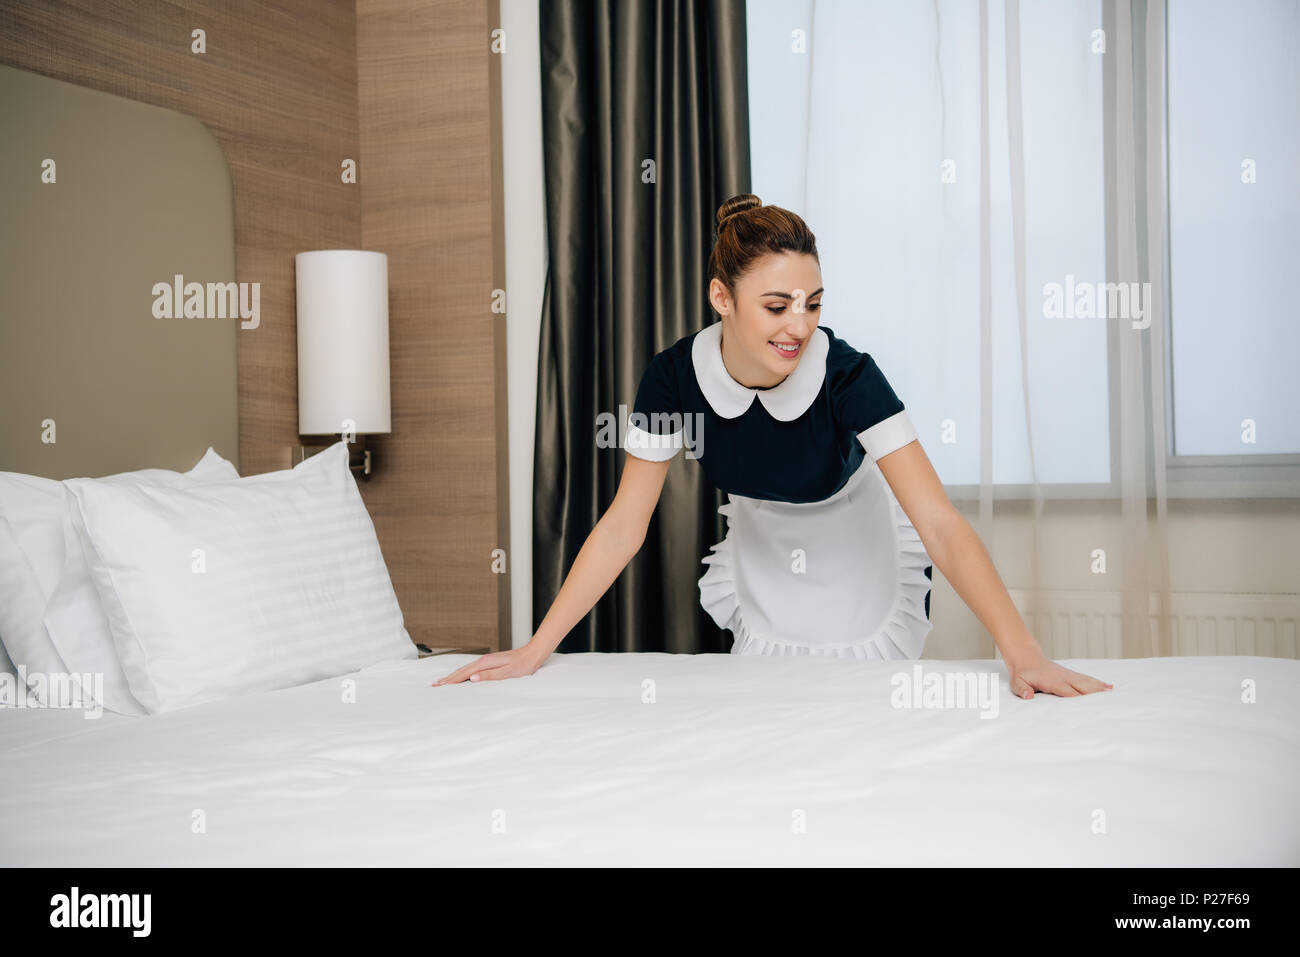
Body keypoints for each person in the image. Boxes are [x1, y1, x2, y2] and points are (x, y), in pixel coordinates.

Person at [436, 194, 1112, 698]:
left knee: (860, 714)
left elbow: (937, 521)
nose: (800, 325)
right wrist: (535, 649)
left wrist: (1023, 653)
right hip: (763, 549)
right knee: (769, 717)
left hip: (856, 550)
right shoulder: (672, 379)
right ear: (721, 297)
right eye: (778, 305)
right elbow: (623, 526)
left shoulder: (848, 376)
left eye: (813, 303)